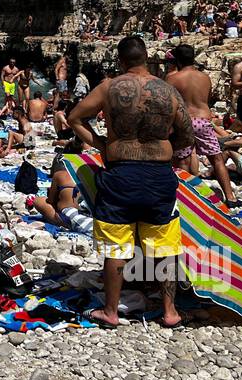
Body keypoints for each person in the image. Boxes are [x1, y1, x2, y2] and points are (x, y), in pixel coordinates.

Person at [66, 35, 194, 329]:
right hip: (158, 174)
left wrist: (101, 144)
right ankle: (170, 311)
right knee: (164, 245)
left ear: (121, 61)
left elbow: (74, 118)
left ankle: (111, 310)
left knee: (116, 246)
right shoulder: (168, 91)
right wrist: (167, 151)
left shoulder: (109, 88)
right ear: (147, 58)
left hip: (120, 172)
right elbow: (187, 134)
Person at [166, 45, 236, 206]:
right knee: (217, 159)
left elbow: (169, 103)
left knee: (182, 161)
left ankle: (182, 197)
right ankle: (231, 197)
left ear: (177, 60)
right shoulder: (205, 77)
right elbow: (206, 99)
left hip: (184, 121)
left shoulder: (172, 78)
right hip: (203, 120)